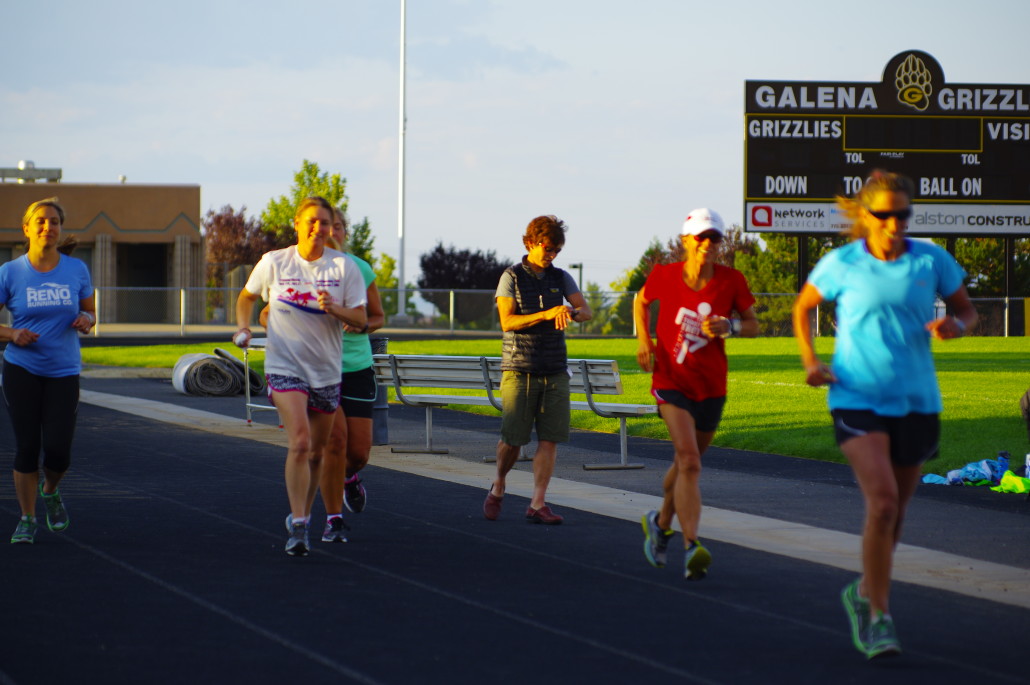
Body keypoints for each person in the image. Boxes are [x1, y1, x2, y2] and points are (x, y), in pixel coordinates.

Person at [792, 170, 977, 659]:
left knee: (895, 514)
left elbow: (968, 311)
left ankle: (863, 591)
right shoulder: (842, 262)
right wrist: (810, 361)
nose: (895, 224)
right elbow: (802, 307)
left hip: (917, 401)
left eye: (903, 215)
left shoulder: (931, 259)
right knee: (884, 504)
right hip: (856, 397)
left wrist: (957, 326)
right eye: (884, 215)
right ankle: (879, 616)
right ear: (866, 215)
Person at [235, 196, 367, 557]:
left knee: (317, 453)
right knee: (301, 442)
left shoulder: (343, 268)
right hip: (285, 367)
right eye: (311, 221)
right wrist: (244, 326)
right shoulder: (275, 262)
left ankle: (304, 517)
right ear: (297, 224)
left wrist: (335, 308)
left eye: (324, 222)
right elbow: (246, 297)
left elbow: (361, 319)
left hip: (325, 372)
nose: (318, 228)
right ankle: (298, 525)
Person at [634, 208, 758, 580]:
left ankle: (660, 524)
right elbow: (641, 301)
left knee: (685, 464)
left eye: (714, 237)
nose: (708, 243)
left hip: (711, 386)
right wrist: (644, 340)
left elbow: (753, 325)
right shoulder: (665, 275)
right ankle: (692, 545)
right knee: (690, 462)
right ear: (687, 240)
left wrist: (731, 326)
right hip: (671, 380)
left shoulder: (732, 280)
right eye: (702, 237)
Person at [263, 208, 385, 542]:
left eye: (338, 227)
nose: (331, 233)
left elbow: (376, 317)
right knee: (334, 441)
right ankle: (325, 517)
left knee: (357, 454)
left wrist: (358, 323)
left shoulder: (357, 269)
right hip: (314, 369)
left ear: (344, 232)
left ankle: (347, 479)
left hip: (356, 366)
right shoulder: (296, 268)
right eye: (326, 226)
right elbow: (267, 313)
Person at [483, 215, 592, 525]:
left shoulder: (561, 277)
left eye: (557, 250)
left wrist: (570, 311)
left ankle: (537, 503)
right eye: (548, 248)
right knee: (513, 440)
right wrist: (547, 314)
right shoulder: (511, 276)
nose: (552, 255)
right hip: (520, 368)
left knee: (549, 439)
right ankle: (499, 484)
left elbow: (586, 311)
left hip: (555, 369)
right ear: (531, 242)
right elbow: (507, 321)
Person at [0, 198, 96, 544]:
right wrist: (12, 334)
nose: (48, 227)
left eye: (54, 221)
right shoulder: (10, 272)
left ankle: (51, 490)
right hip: (22, 369)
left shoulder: (76, 269)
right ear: (26, 229)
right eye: (40, 221)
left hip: (63, 371)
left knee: (58, 452)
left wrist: (86, 319)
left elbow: (91, 312)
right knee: (27, 447)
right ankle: (27, 518)